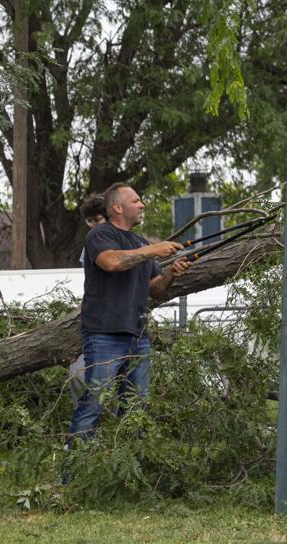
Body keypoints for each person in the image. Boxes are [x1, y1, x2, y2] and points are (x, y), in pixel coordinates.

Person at [67, 183, 191, 442]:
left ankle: (127, 474)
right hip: (104, 335)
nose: (142, 204)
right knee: (94, 404)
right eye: (136, 201)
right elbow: (112, 262)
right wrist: (153, 250)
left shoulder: (140, 243)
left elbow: (154, 290)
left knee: (137, 406)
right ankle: (73, 475)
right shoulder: (100, 235)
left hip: (138, 336)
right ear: (117, 207)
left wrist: (170, 274)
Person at [67, 193, 109, 408]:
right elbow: (91, 282)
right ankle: (83, 433)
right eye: (89, 221)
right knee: (77, 373)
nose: (94, 225)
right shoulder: (90, 246)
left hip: (119, 323)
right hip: (93, 320)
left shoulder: (128, 242)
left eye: (98, 220)